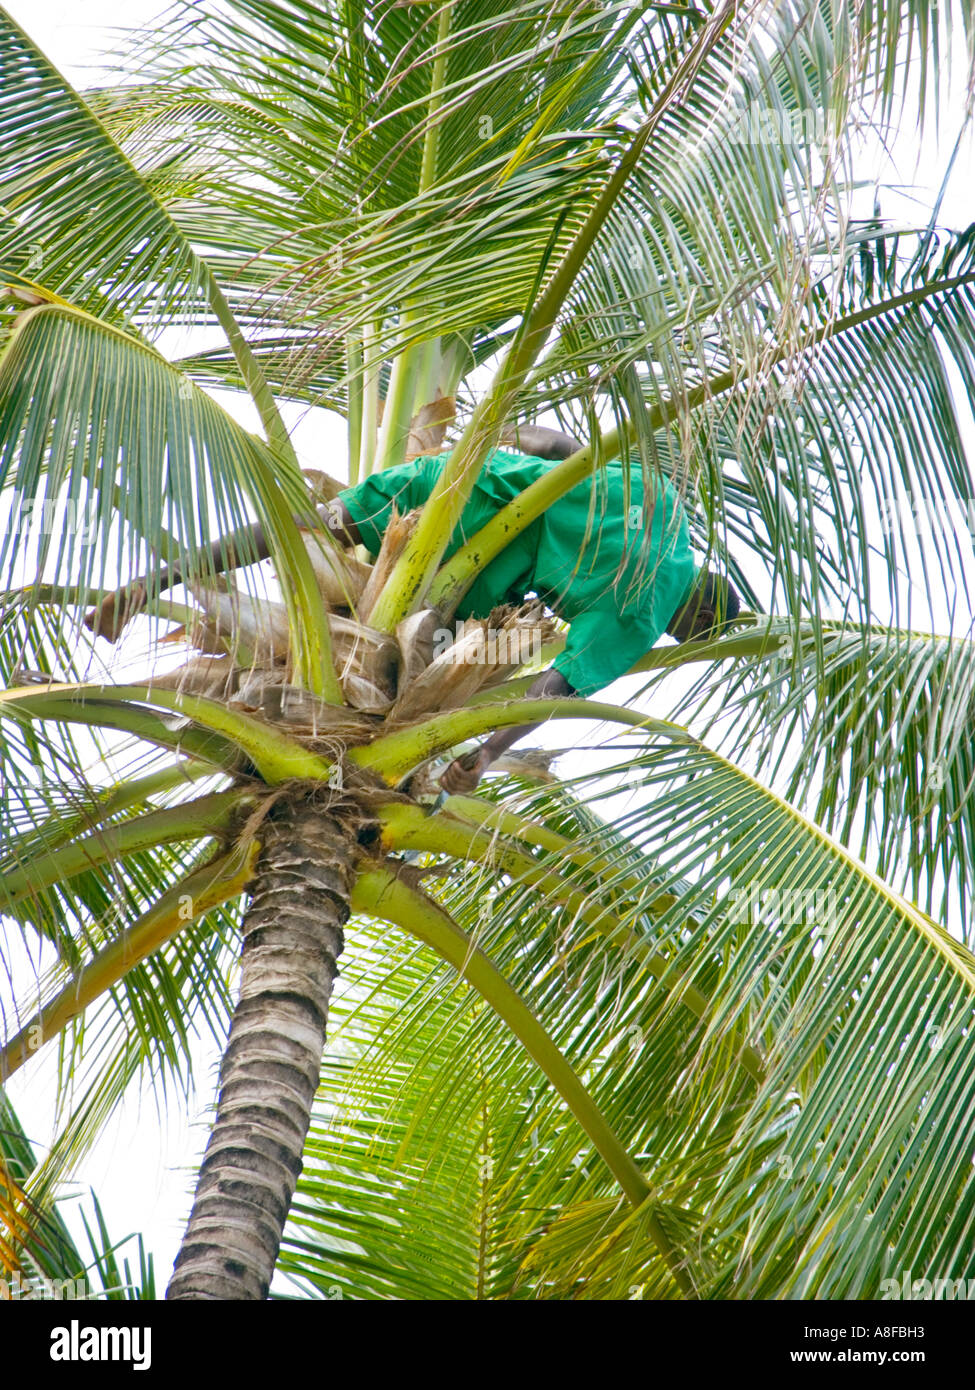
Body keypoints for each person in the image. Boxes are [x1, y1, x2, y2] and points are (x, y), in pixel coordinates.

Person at [85, 425, 740, 793]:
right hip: (471, 583)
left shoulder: (663, 504)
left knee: (309, 526)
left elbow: (559, 448)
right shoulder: (639, 620)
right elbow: (551, 688)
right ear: (692, 623)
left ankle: (152, 583)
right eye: (687, 634)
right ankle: (407, 770)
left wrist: (489, 442)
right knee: (472, 651)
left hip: (449, 488)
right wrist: (483, 755)